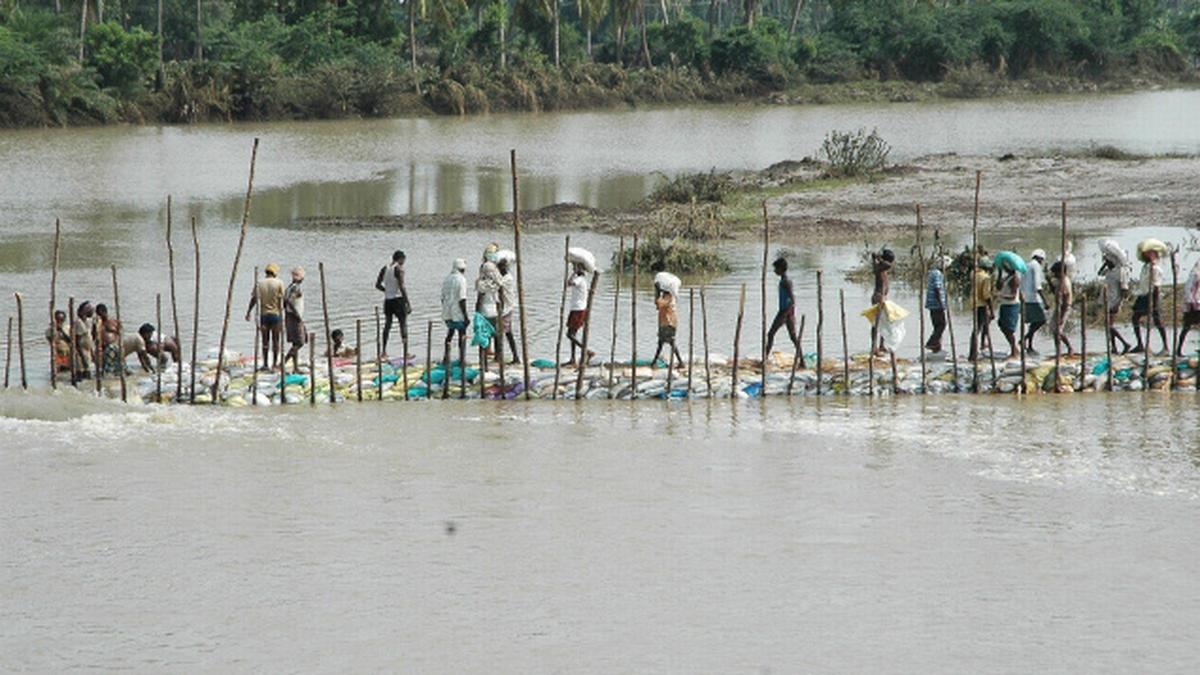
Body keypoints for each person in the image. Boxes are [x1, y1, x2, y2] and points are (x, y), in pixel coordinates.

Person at [245, 263, 285, 371]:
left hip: (264, 315)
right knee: (276, 341)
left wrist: (248, 312)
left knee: (265, 342)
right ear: (275, 272)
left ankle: (266, 364)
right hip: (276, 315)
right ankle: (275, 364)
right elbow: (282, 299)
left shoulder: (259, 283)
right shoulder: (279, 283)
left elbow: (254, 299)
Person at [440, 258, 470, 391]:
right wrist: (466, 316)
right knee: (462, 335)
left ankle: (445, 358)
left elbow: (442, 297)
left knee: (450, 334)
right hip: (458, 312)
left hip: (448, 312)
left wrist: (446, 309)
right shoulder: (461, 280)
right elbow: (462, 299)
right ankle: (462, 359)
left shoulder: (447, 279)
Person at [764, 258, 801, 364]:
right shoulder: (784, 281)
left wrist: (786, 313)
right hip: (787, 312)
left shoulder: (786, 282)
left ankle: (765, 359)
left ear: (781, 269)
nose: (775, 271)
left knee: (771, 334)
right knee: (793, 337)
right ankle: (802, 360)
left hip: (784, 311)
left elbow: (792, 299)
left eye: (776, 269)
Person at [376, 250, 411, 358]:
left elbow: (377, 285)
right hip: (398, 299)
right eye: (403, 260)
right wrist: (407, 302)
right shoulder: (398, 269)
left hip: (388, 300)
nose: (403, 263)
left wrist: (387, 291)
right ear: (401, 259)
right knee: (403, 324)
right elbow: (402, 286)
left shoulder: (385, 268)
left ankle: (383, 351)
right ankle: (405, 352)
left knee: (387, 325)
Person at [1131, 248, 1167, 354]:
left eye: (1149, 253)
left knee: (1157, 320)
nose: (1146, 255)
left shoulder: (1155, 269)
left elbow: (1157, 286)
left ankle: (1165, 347)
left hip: (1152, 296)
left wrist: (1154, 302)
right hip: (1143, 295)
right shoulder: (1145, 267)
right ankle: (1140, 345)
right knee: (1135, 317)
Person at [1099, 254, 1132, 354]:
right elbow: (1099, 273)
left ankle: (1125, 344)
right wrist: (1105, 264)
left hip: (1115, 301)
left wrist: (1120, 303)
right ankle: (1113, 347)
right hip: (1108, 300)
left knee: (1109, 325)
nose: (1106, 263)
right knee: (1109, 326)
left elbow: (1124, 289)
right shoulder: (1109, 271)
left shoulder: (1120, 271)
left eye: (1108, 261)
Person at [475, 244, 502, 360]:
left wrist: (477, 308)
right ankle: (497, 355)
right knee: (495, 332)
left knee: (485, 332)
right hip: (492, 307)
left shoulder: (482, 283)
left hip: (485, 308)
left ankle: (485, 354)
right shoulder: (495, 282)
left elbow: (480, 295)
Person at [1021, 249, 1048, 354]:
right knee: (1041, 320)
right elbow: (1038, 286)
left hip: (1026, 298)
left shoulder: (1027, 265)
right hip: (1034, 299)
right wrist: (1045, 301)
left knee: (1033, 323)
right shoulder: (1036, 266)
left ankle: (1029, 344)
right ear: (1040, 258)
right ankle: (1025, 339)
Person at [564, 262, 591, 367]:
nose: (573, 269)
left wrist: (573, 273)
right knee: (573, 335)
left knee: (569, 335)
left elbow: (569, 283)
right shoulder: (581, 279)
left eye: (575, 267)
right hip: (577, 308)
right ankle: (573, 359)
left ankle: (587, 351)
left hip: (578, 309)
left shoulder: (579, 279)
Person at [652, 282, 684, 369]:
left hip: (668, 324)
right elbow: (657, 305)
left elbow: (659, 304)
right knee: (664, 343)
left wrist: (657, 292)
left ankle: (654, 362)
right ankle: (680, 362)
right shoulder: (667, 297)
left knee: (666, 342)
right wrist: (657, 292)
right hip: (667, 323)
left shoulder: (669, 298)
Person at [968, 258, 994, 362]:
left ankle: (972, 352)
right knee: (979, 328)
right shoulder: (985, 277)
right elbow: (986, 295)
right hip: (981, 305)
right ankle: (973, 354)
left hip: (974, 303)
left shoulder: (973, 274)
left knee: (975, 329)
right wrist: (991, 309)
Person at [496, 254, 521, 364]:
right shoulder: (504, 277)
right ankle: (503, 356)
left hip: (506, 308)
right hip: (505, 308)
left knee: (502, 332)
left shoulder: (507, 278)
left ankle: (512, 357)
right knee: (506, 332)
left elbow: (498, 285)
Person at [869, 248, 894, 355]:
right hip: (879, 297)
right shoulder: (881, 267)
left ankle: (881, 345)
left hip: (882, 297)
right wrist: (878, 258)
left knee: (884, 322)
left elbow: (886, 265)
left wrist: (876, 258)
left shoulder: (880, 267)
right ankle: (874, 347)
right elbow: (888, 265)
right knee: (877, 323)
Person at [1047, 260, 1074, 356]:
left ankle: (1070, 348)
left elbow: (1065, 301)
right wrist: (1049, 281)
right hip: (1059, 306)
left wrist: (1062, 317)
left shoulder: (1065, 283)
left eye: (1056, 273)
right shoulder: (1059, 280)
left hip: (1064, 307)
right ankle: (1058, 351)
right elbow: (1054, 291)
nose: (1054, 275)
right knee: (1054, 329)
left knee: (1058, 330)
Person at [995, 263, 1021, 359]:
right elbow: (998, 286)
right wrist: (999, 273)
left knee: (1009, 329)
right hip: (1005, 305)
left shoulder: (1014, 279)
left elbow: (1013, 296)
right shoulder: (1007, 277)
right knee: (1002, 325)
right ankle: (1014, 349)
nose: (1005, 268)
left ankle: (1014, 351)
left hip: (1011, 305)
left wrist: (1000, 296)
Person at [283, 266, 306, 373]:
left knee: (294, 342)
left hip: (290, 315)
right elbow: (289, 301)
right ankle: (284, 362)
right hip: (294, 316)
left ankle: (295, 367)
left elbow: (285, 302)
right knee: (300, 342)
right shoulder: (295, 288)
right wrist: (297, 315)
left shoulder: (289, 287)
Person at [924, 255, 949, 353]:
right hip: (936, 303)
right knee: (942, 324)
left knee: (937, 325)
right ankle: (931, 342)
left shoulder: (932, 272)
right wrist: (941, 303)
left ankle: (936, 347)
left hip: (932, 303)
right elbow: (937, 288)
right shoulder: (937, 273)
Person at [1176, 259, 1200, 356]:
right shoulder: (1195, 275)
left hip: (1195, 304)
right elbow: (1188, 289)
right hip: (1194, 305)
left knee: (1186, 327)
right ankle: (1178, 350)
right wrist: (1191, 302)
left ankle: (1178, 350)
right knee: (1186, 327)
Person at [73, 302, 96, 376]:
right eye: (91, 310)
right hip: (81, 353)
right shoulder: (79, 322)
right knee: (81, 375)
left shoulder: (87, 322)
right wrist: (82, 357)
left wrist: (92, 353)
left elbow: (91, 338)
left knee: (88, 375)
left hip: (87, 352)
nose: (92, 312)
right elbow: (77, 341)